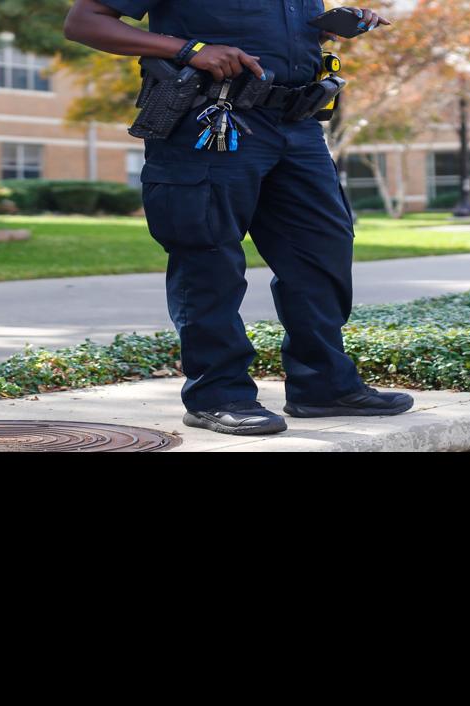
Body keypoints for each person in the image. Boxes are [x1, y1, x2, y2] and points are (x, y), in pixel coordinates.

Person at [63, 1, 411, 437]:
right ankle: (218, 394)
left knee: (322, 253)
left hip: (296, 125)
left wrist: (325, 30)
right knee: (208, 258)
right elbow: (83, 22)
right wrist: (190, 49)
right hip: (211, 120)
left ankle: (322, 386)